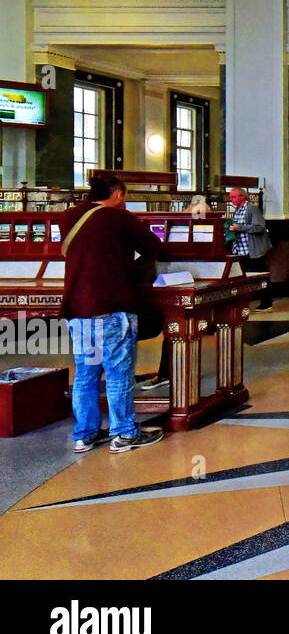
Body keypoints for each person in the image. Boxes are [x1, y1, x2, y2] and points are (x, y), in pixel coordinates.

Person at [58, 175, 168, 454]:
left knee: (86, 372)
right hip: (112, 308)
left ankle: (86, 434)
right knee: (119, 372)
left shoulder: (68, 217)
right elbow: (154, 247)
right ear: (118, 193)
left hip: (79, 309)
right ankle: (125, 434)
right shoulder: (120, 218)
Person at [228, 186, 272, 312]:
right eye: (230, 197)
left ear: (242, 196)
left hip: (254, 249)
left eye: (234, 197)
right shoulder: (237, 210)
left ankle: (266, 301)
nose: (231, 199)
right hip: (241, 250)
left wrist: (239, 228)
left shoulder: (252, 209)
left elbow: (259, 227)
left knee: (260, 275)